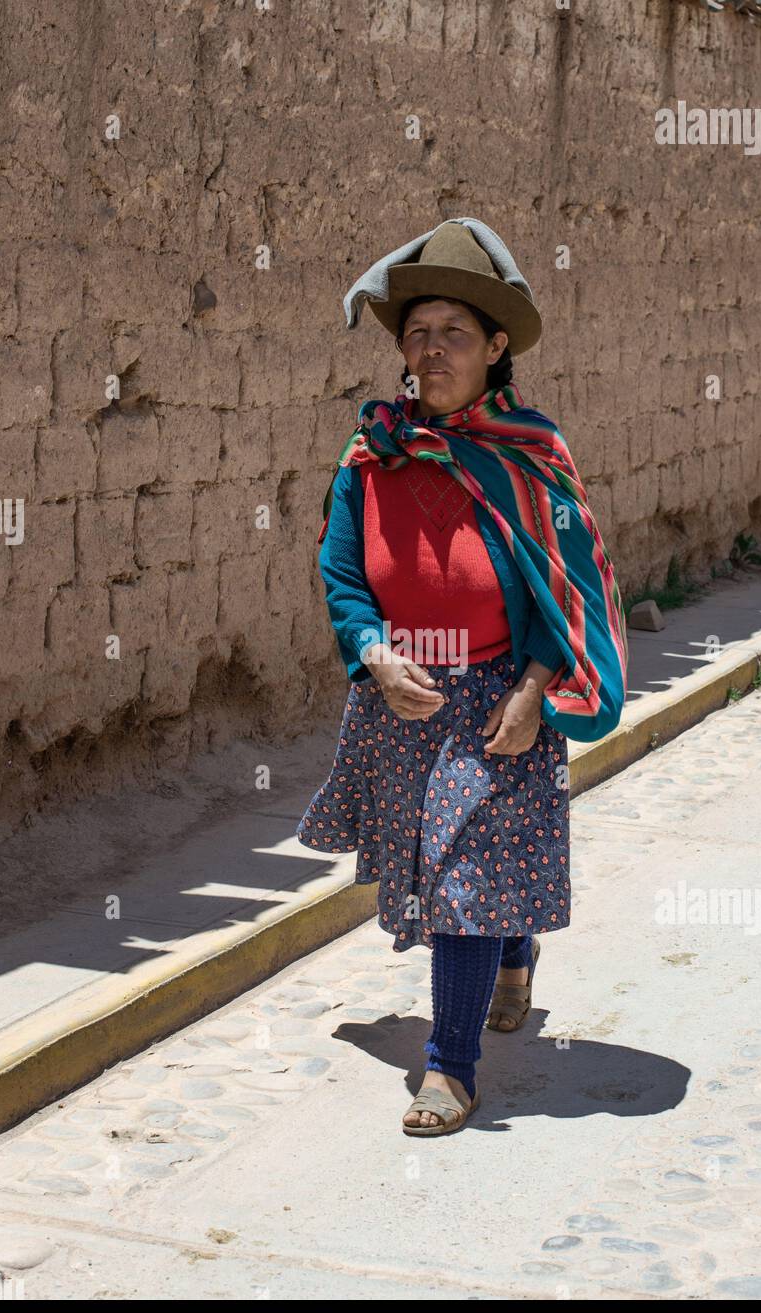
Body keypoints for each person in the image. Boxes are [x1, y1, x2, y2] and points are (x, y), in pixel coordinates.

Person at [297, 219, 628, 1136]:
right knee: (457, 879)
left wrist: (534, 691)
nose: (430, 350)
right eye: (417, 332)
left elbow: (572, 593)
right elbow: (341, 576)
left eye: (453, 334)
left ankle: (449, 1069)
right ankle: (512, 956)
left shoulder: (530, 458)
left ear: (494, 350)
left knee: (466, 885)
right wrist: (371, 653)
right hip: (405, 696)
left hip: (498, 699)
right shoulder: (372, 455)